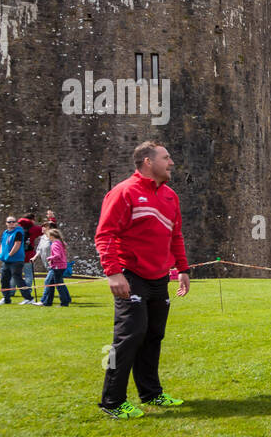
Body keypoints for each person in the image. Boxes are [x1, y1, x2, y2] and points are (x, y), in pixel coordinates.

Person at [95, 141, 191, 419]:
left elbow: (176, 235)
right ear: (148, 162)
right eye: (166, 157)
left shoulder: (171, 196)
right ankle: (112, 401)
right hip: (130, 274)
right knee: (129, 336)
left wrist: (182, 269)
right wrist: (113, 272)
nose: (171, 162)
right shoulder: (124, 192)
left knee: (153, 335)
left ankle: (151, 394)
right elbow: (105, 235)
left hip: (159, 277)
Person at [0, 215, 36, 305]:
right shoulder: (5, 233)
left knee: (17, 278)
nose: (11, 223)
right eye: (9, 222)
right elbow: (2, 244)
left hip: (16, 260)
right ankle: (6, 298)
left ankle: (28, 298)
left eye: (13, 222)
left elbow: (17, 244)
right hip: (6, 260)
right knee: (4, 279)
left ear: (16, 223)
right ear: (6, 223)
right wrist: (1, 254)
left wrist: (10, 254)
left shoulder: (18, 232)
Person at [40, 228, 72, 307]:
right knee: (51, 283)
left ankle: (64, 302)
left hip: (57, 267)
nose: (48, 238)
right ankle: (48, 302)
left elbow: (57, 255)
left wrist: (49, 258)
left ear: (52, 236)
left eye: (48, 236)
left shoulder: (55, 244)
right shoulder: (60, 242)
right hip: (61, 266)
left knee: (57, 285)